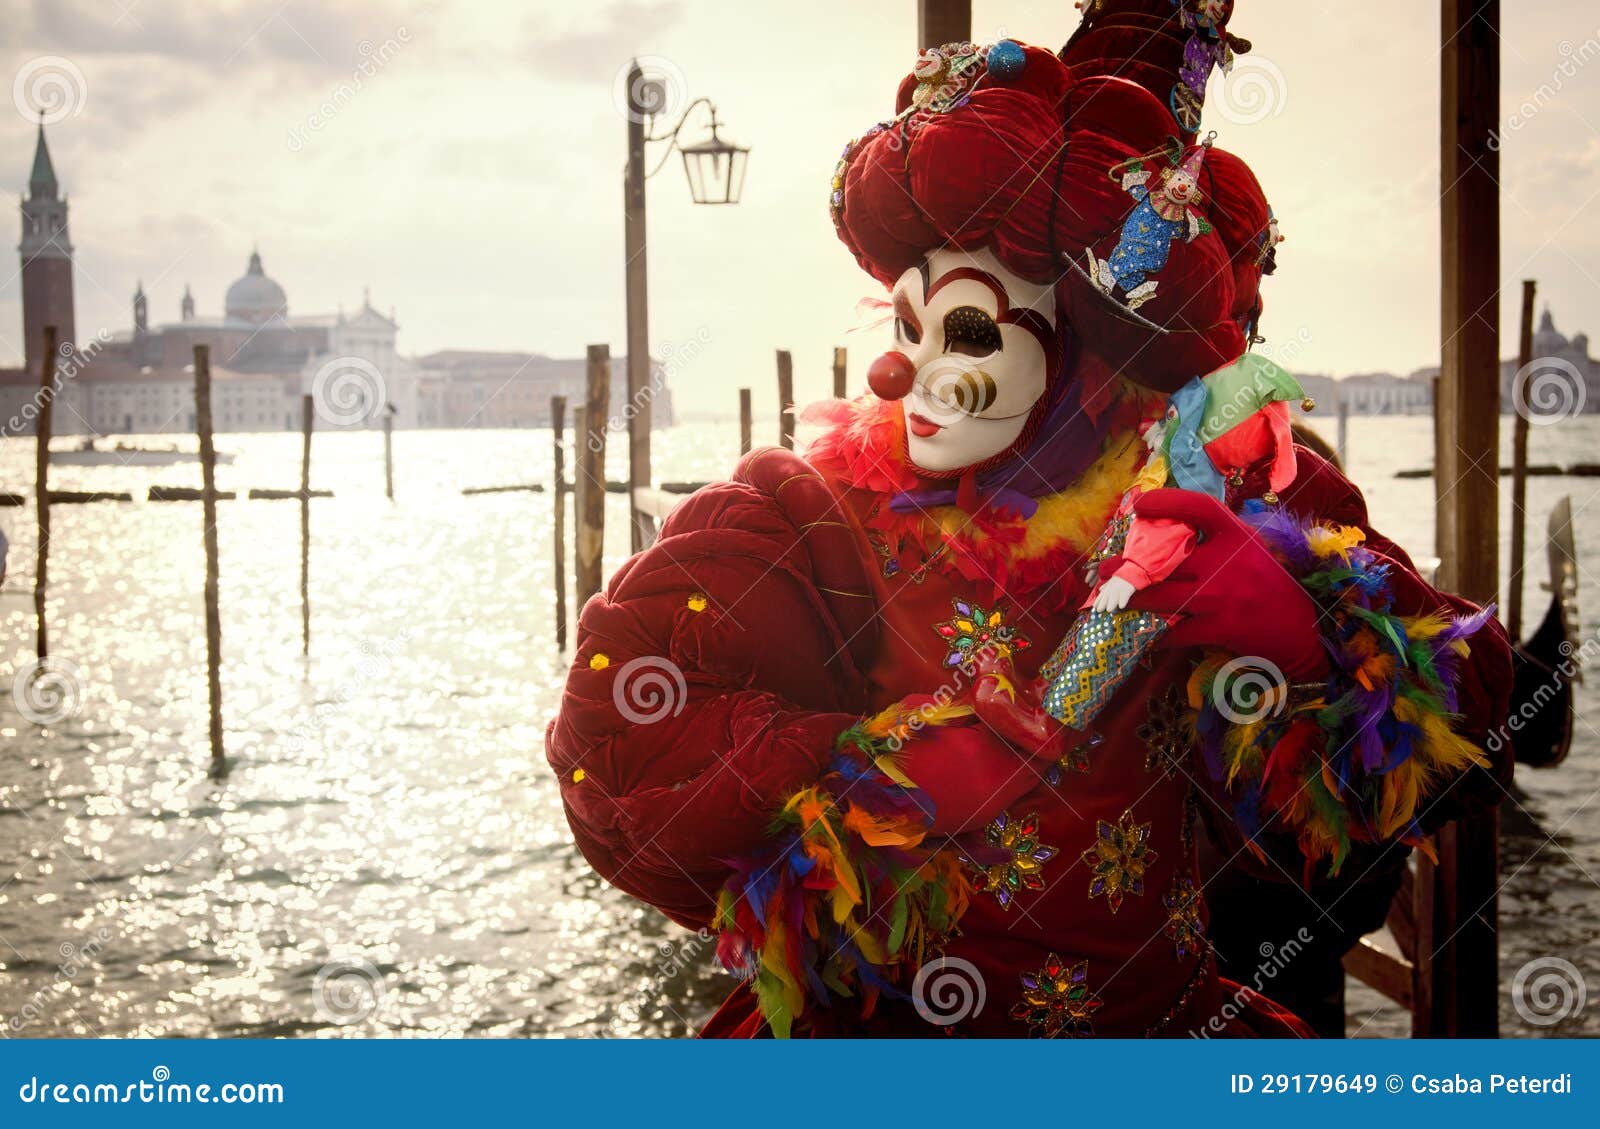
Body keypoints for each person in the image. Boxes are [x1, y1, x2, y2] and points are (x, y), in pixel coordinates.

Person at [546, 3, 1511, 1038]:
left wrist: (1299, 627)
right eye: (905, 325)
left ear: (1092, 337)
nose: (892, 369)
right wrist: (879, 771)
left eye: (962, 328)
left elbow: (1483, 708)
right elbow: (613, 744)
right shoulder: (807, 514)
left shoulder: (1228, 496)